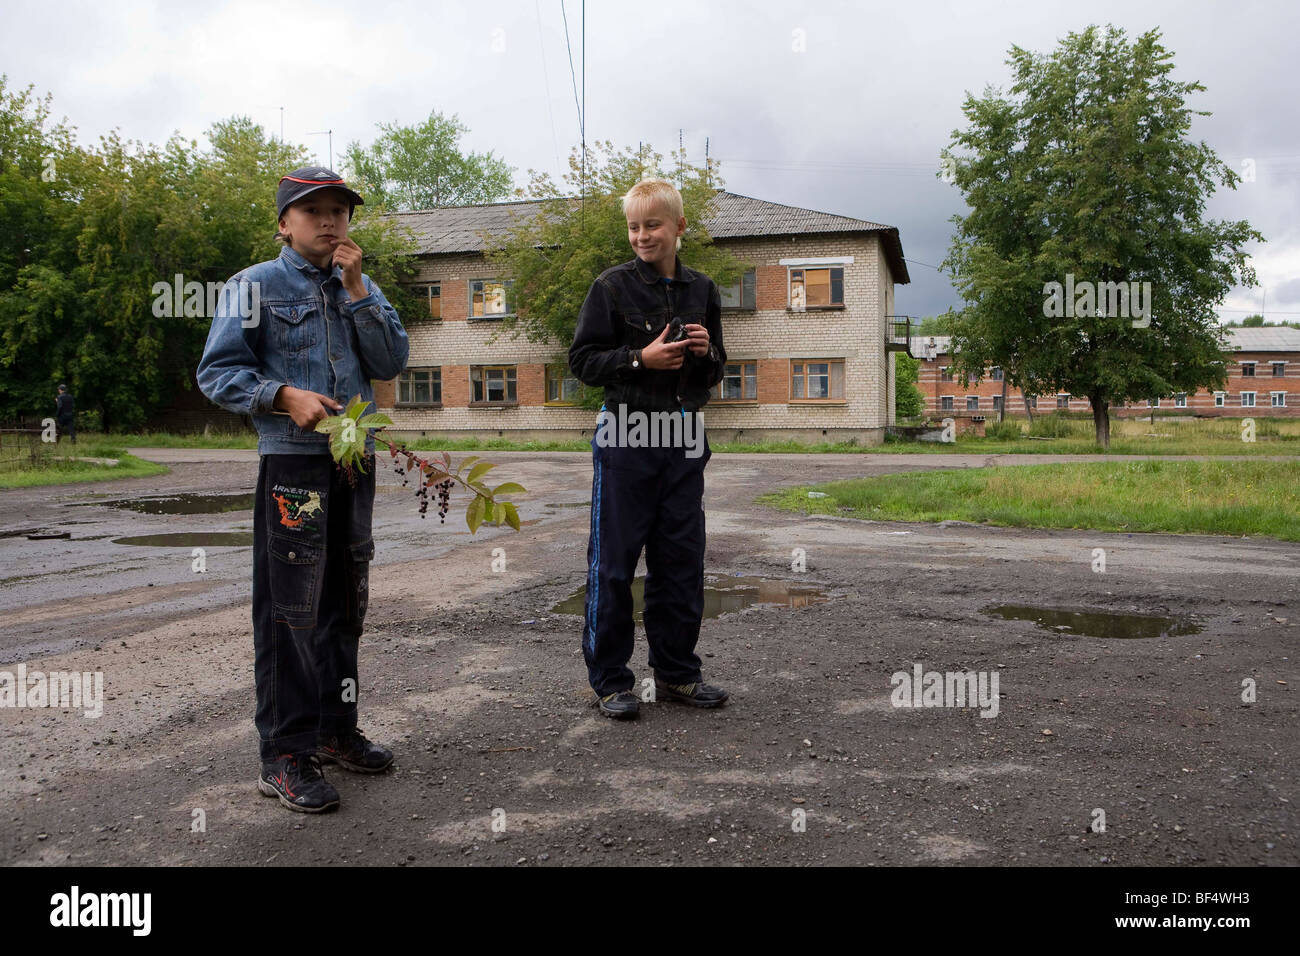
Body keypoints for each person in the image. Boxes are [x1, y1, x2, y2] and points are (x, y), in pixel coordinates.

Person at [197, 167, 409, 812]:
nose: (328, 221)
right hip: (293, 465)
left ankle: (335, 729)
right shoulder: (255, 286)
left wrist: (357, 290)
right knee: (293, 609)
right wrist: (281, 395)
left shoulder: (360, 285)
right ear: (284, 224)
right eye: (312, 210)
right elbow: (216, 371)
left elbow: (390, 362)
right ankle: (285, 754)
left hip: (354, 461)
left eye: (339, 211)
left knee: (347, 601)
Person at [568, 177, 730, 719]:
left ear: (679, 227)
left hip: (683, 439)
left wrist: (706, 354)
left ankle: (678, 675)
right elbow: (583, 362)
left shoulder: (703, 290)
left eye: (653, 225)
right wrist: (640, 359)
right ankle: (612, 681)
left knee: (680, 563)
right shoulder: (610, 288)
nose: (642, 235)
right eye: (634, 226)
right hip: (626, 436)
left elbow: (715, 370)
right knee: (614, 565)